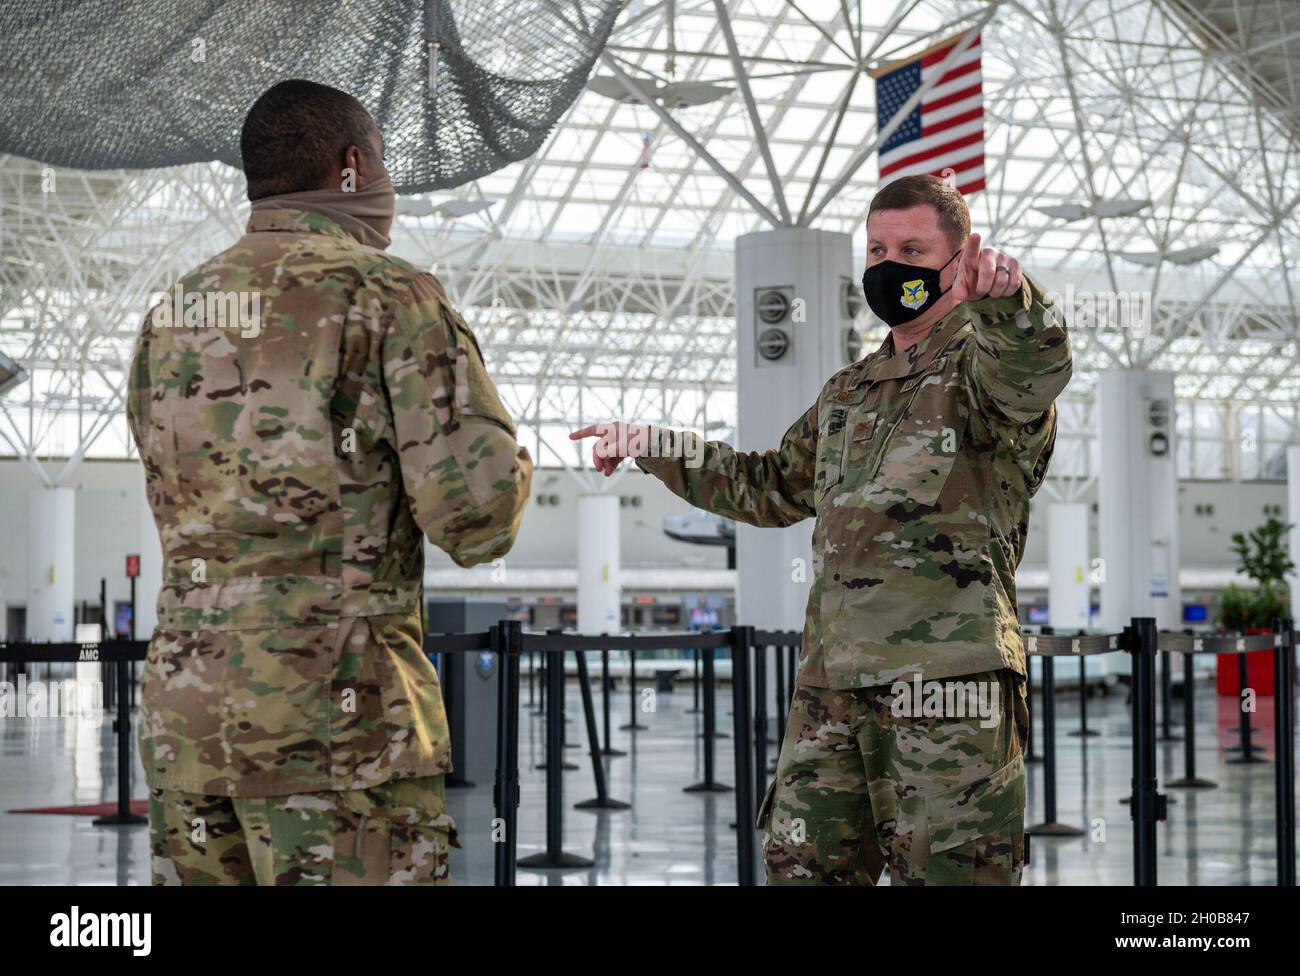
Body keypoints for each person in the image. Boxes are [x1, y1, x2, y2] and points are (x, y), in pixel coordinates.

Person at [572, 173, 1071, 885]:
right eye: (875, 248)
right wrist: (653, 444)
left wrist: (1014, 303)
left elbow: (1036, 369)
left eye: (911, 247)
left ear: (956, 262)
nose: (888, 263)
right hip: (831, 685)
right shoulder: (847, 392)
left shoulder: (981, 369)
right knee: (803, 868)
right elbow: (769, 486)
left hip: (946, 686)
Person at [127, 79, 533, 885]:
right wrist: (515, 460)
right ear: (353, 165)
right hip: (338, 732)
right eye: (379, 163)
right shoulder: (388, 295)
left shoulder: (171, 313)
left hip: (188, 725)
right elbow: (476, 518)